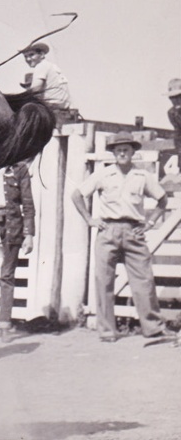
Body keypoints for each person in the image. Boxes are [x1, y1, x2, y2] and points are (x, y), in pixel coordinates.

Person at [71, 131, 176, 343]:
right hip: (107, 230)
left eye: (126, 149)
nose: (122, 153)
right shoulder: (103, 174)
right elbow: (77, 195)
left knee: (144, 280)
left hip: (133, 231)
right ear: (113, 153)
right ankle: (107, 331)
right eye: (118, 150)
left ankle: (153, 328)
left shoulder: (142, 176)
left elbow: (162, 200)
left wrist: (150, 223)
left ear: (132, 152)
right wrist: (90, 219)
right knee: (104, 281)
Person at [0, 161, 35, 343]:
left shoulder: (19, 169)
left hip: (12, 226)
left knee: (7, 276)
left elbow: (27, 204)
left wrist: (29, 234)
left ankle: (4, 324)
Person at [20, 42, 73, 118]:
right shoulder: (52, 66)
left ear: (42, 55)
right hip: (63, 108)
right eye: (25, 56)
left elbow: (35, 90)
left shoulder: (41, 66)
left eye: (31, 55)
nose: (28, 59)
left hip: (51, 107)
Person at [166, 78, 181, 163]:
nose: (175, 100)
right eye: (172, 97)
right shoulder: (172, 113)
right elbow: (178, 133)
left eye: (178, 97)